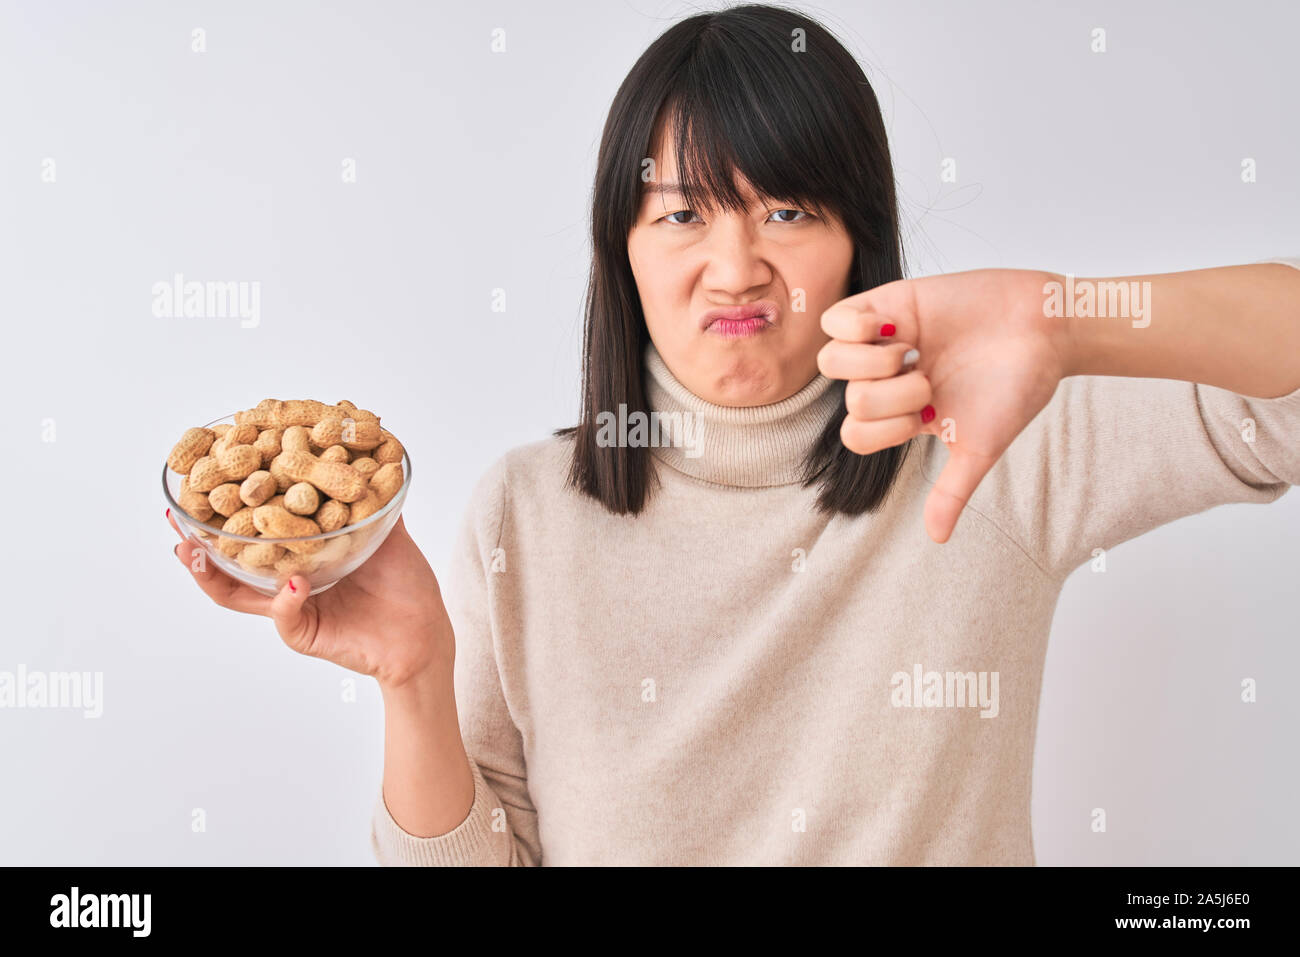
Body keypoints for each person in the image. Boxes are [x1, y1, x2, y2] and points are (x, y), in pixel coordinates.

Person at [167, 4, 1300, 865]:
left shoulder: (991, 442)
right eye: (683, 212)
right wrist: (414, 677)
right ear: (622, 246)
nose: (736, 265)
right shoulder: (522, 512)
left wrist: (1064, 318)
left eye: (790, 209)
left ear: (862, 236)